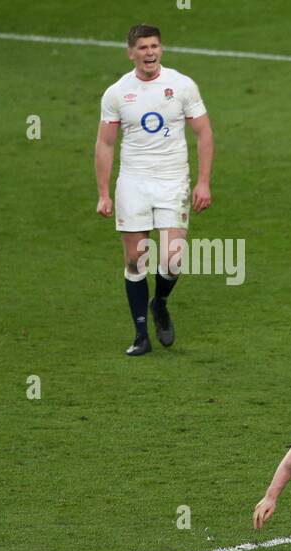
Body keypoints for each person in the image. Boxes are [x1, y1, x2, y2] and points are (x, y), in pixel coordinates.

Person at [96, 23, 213, 356]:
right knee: (135, 260)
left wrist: (203, 181)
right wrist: (103, 192)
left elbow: (204, 133)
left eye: (155, 47)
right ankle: (140, 336)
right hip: (133, 181)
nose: (150, 53)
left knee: (174, 259)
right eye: (143, 48)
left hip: (173, 180)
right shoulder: (117, 93)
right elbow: (105, 143)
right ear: (131, 52)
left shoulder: (181, 86)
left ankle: (159, 301)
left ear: (161, 49)